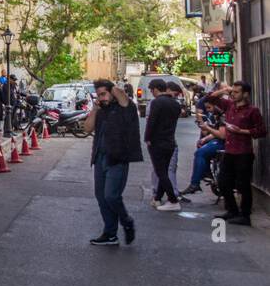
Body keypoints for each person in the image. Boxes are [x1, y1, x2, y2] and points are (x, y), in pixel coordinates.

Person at [85, 78, 143, 246]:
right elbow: (87, 128)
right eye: (99, 95)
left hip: (117, 159)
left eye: (104, 94)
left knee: (111, 196)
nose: (101, 97)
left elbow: (120, 93)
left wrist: (110, 87)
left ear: (112, 92)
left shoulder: (126, 108)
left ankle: (127, 222)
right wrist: (95, 108)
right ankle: (110, 234)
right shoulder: (101, 111)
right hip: (99, 158)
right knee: (101, 197)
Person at [204, 81, 265, 226]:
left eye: (237, 92)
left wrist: (242, 131)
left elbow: (261, 131)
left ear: (245, 94)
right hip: (230, 151)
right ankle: (232, 210)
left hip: (243, 152)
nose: (233, 94)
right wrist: (226, 89)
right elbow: (209, 98)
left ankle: (245, 215)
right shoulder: (230, 106)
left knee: (243, 185)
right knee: (223, 182)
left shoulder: (252, 111)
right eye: (233, 91)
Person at [143, 80, 183, 210]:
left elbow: (152, 122)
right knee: (163, 171)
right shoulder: (176, 104)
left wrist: (147, 137)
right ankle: (157, 198)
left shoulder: (156, 102)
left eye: (151, 90)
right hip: (170, 141)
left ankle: (173, 200)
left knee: (161, 172)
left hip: (157, 142)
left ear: (155, 89)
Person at [181, 89, 225, 196]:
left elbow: (222, 134)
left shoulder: (223, 116)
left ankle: (195, 183)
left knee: (200, 153)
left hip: (223, 142)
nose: (208, 110)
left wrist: (206, 129)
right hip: (218, 140)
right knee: (201, 149)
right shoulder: (215, 115)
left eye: (209, 108)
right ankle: (203, 175)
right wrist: (204, 139)